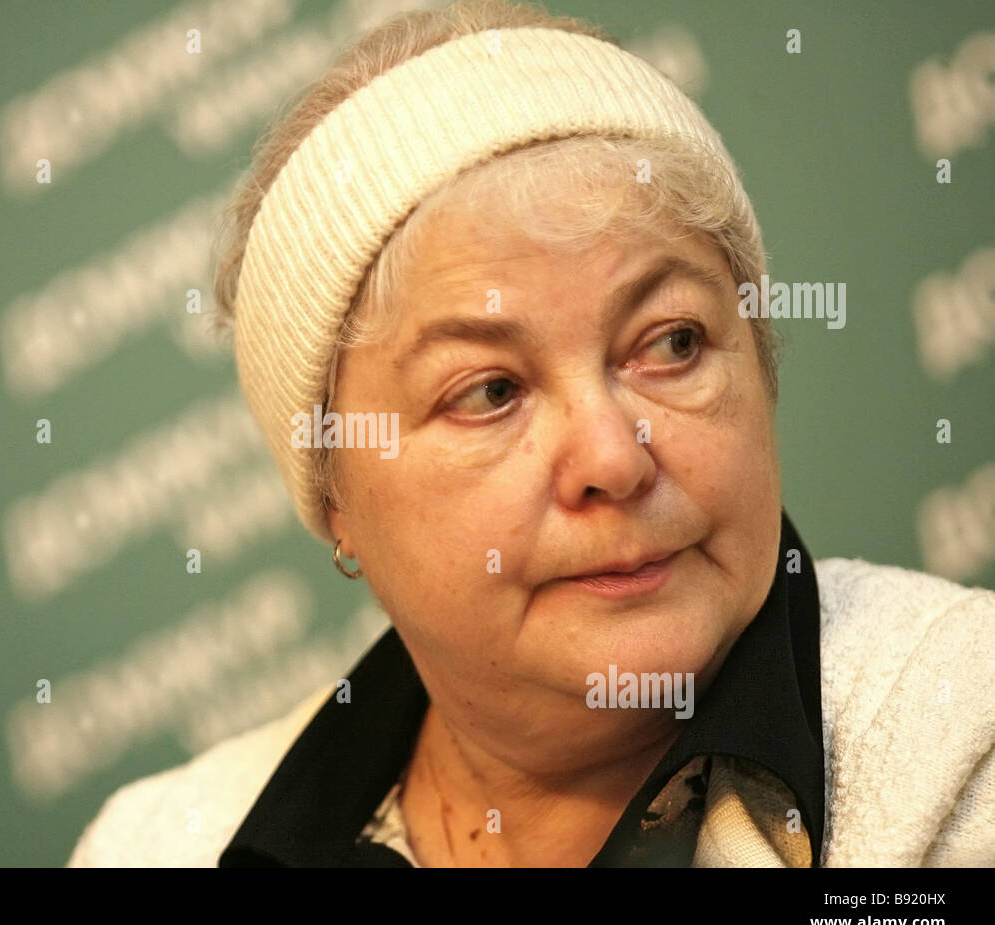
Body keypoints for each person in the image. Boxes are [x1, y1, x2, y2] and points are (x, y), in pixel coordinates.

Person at [69, 0, 995, 867]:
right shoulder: (160, 843)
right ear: (334, 497)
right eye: (490, 391)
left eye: (670, 343)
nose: (613, 457)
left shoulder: (961, 729)